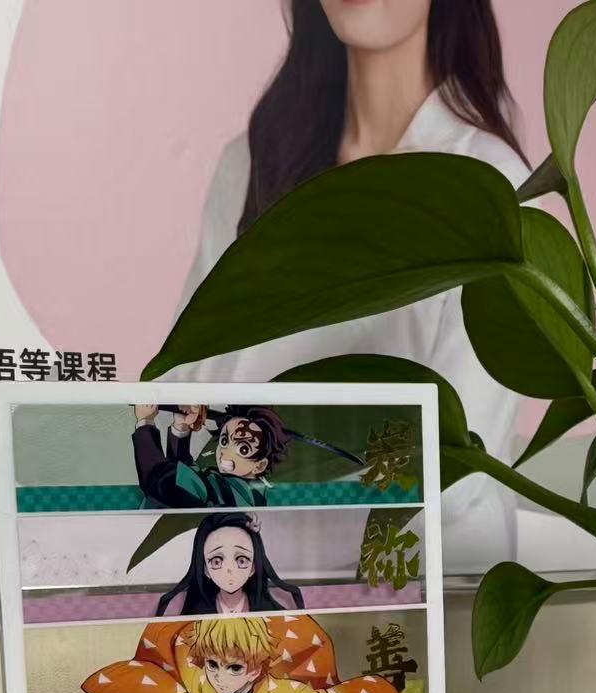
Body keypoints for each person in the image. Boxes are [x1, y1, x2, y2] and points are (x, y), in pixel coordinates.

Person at [165, 0, 528, 568]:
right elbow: (184, 394)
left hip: (420, 594)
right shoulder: (254, 166)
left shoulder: (491, 188)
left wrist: (240, 513)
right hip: (242, 595)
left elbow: (454, 472)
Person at [81, 612, 402, 693]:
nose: (220, 677)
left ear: (255, 668)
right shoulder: (204, 686)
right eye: (212, 665)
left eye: (234, 668)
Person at [132, 403, 289, 508]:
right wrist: (181, 427)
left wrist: (145, 422)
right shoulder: (250, 492)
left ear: (260, 465)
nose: (225, 452)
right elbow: (186, 477)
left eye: (243, 449)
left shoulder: (228, 492)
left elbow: (161, 481)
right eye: (224, 440)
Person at [154, 511, 306, 616]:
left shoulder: (269, 613)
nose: (229, 569)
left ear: (253, 567)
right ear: (205, 569)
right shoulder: (197, 614)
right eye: (216, 561)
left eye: (241, 560)